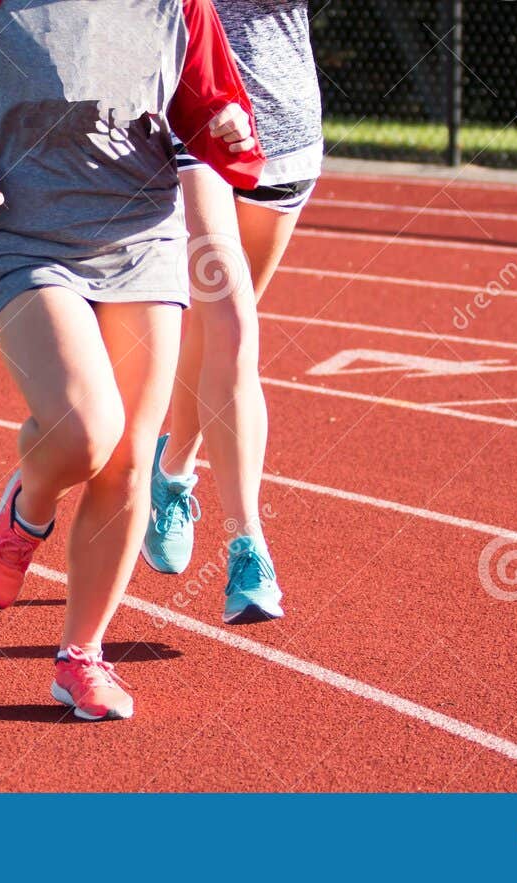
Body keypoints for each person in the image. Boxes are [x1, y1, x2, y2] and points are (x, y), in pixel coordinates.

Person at [0, 0, 263, 720]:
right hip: (23, 236)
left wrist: (228, 130)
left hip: (140, 241)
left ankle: (81, 657)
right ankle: (28, 509)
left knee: (127, 457)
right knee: (86, 429)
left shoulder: (181, 7)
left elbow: (214, 110)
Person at [143, 0, 324, 625]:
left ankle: (170, 471)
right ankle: (249, 547)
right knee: (233, 325)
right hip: (196, 126)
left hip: (287, 133)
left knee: (217, 337)